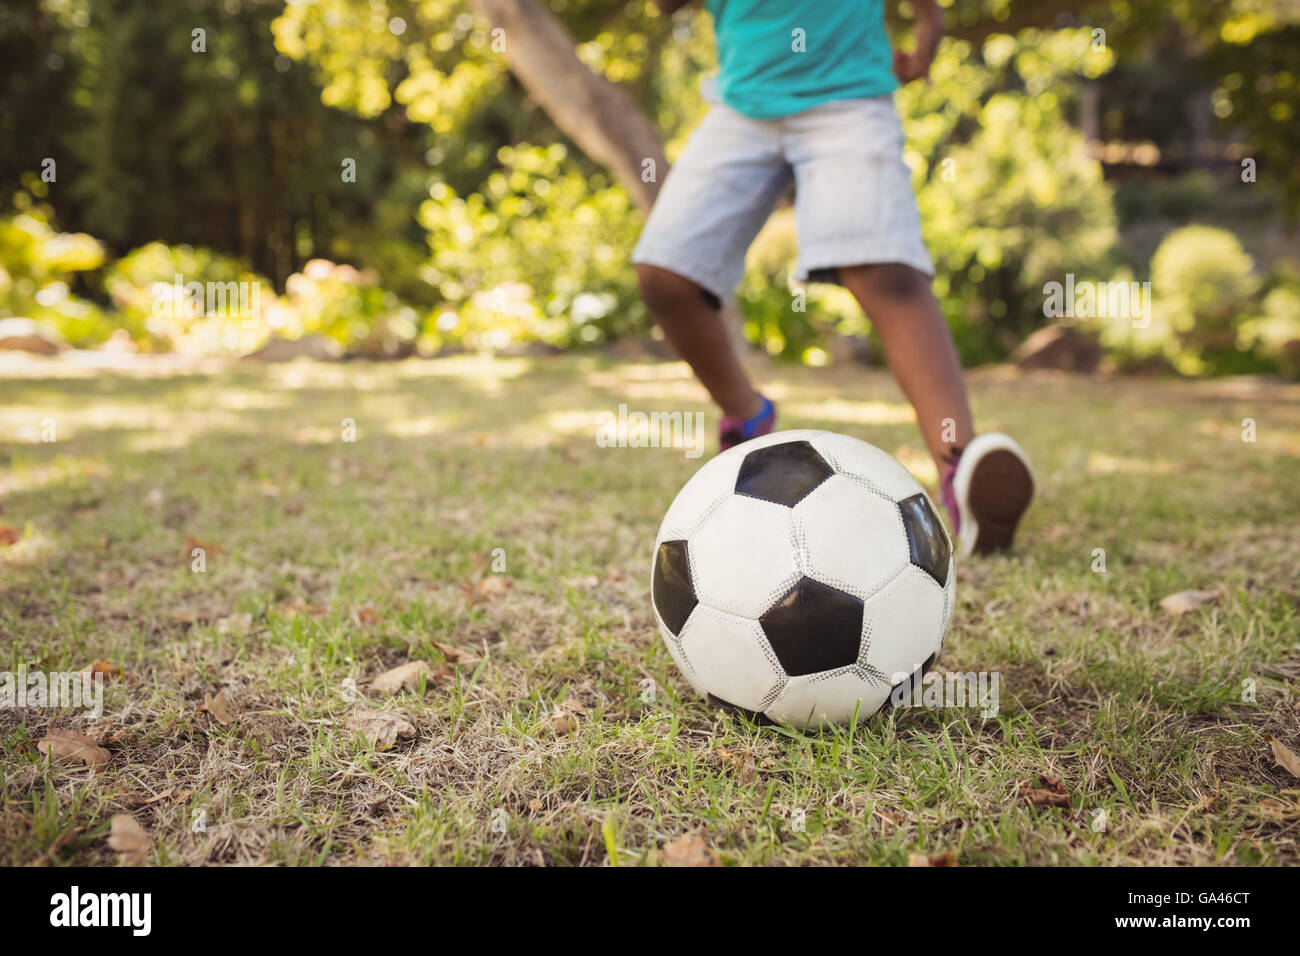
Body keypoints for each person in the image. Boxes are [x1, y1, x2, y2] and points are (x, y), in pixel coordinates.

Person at [633, 0, 1033, 555]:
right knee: (665, 274)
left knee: (884, 272)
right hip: (742, 101)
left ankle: (961, 468)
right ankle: (749, 420)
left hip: (848, 97)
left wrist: (929, 22)